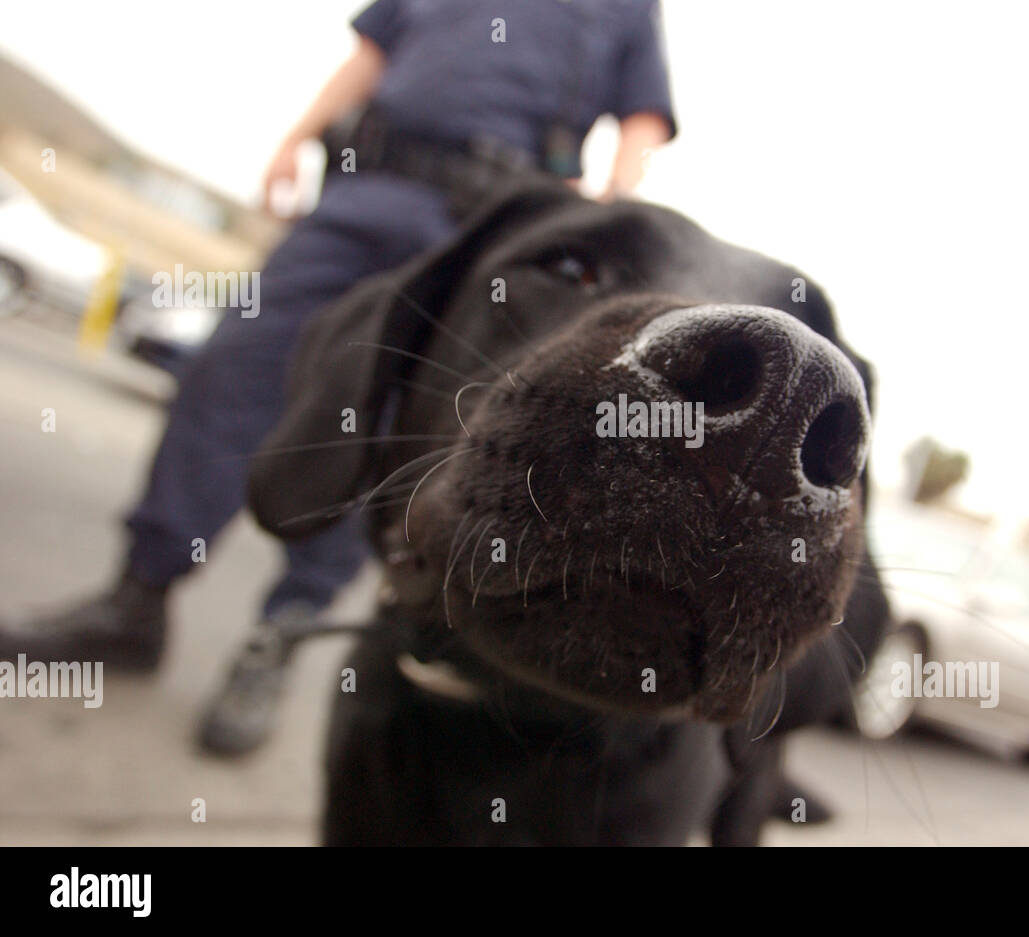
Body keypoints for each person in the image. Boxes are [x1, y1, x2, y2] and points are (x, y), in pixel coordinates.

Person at [0, 0, 675, 755]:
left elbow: (643, 120)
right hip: (364, 190)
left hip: (478, 230)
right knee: (228, 371)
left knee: (380, 433)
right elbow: (371, 55)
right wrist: (294, 141)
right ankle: (136, 600)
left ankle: (282, 633)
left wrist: (607, 223)